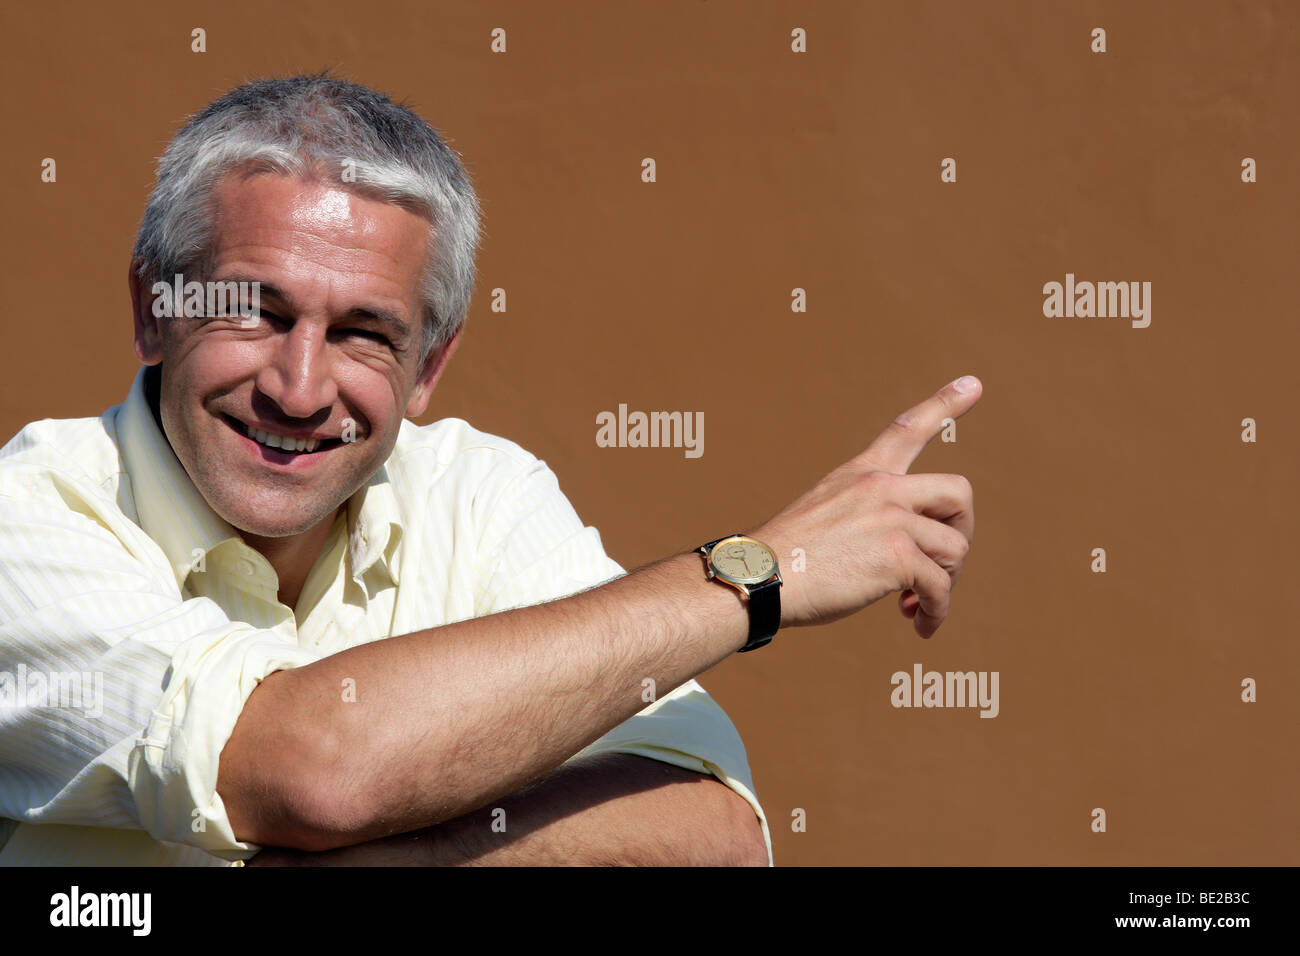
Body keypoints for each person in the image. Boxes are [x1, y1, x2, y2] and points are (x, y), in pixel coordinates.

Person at [0, 73, 979, 867]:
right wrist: (756, 572)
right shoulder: (26, 520)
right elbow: (308, 769)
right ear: (151, 307)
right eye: (255, 309)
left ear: (428, 367)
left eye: (362, 333)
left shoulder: (480, 490)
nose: (300, 388)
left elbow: (711, 837)